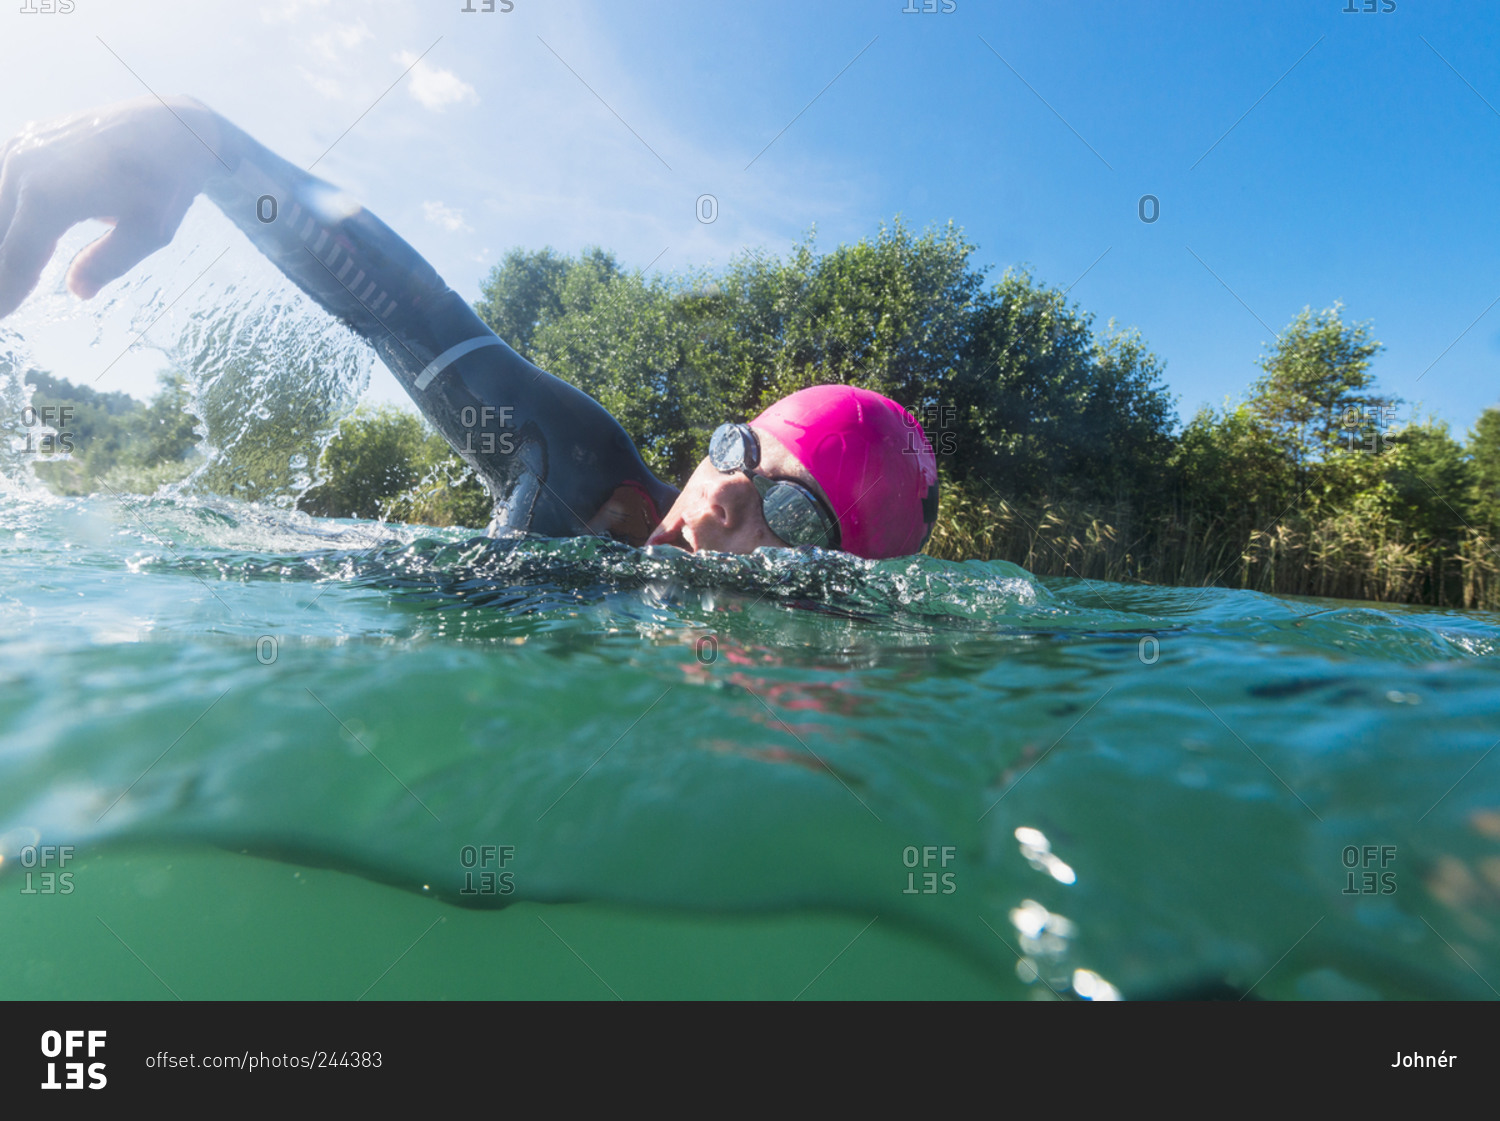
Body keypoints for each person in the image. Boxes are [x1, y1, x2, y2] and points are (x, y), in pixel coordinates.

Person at [0, 96, 938, 558]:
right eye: (738, 451)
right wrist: (210, 147)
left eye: (792, 510)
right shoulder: (580, 470)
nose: (729, 498)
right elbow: (402, 311)